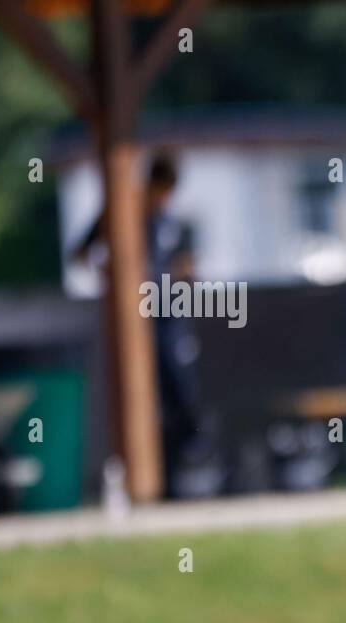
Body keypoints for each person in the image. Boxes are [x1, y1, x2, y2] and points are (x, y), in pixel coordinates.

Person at [74, 153, 207, 493]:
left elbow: (187, 269)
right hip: (136, 326)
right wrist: (113, 274)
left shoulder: (171, 223)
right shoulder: (122, 216)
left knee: (182, 393)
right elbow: (82, 254)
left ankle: (184, 471)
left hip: (170, 319)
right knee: (144, 400)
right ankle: (149, 480)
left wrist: (184, 277)